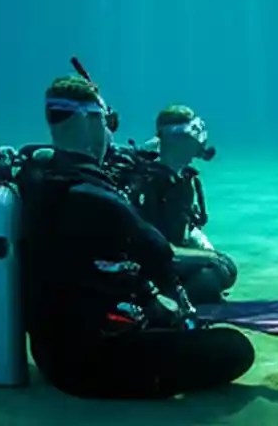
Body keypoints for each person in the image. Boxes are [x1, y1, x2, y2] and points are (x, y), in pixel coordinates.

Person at [17, 76, 253, 399]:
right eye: (105, 122)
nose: (108, 134)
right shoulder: (97, 197)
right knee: (236, 349)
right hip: (87, 364)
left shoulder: (35, 176)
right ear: (89, 120)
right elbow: (161, 256)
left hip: (49, 351)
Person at [108, 105, 238, 304]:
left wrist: (205, 249)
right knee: (209, 278)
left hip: (173, 254)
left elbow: (188, 225)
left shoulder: (183, 179)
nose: (200, 139)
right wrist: (206, 257)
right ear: (175, 139)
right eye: (194, 132)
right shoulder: (149, 184)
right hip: (152, 264)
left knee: (226, 268)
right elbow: (153, 249)